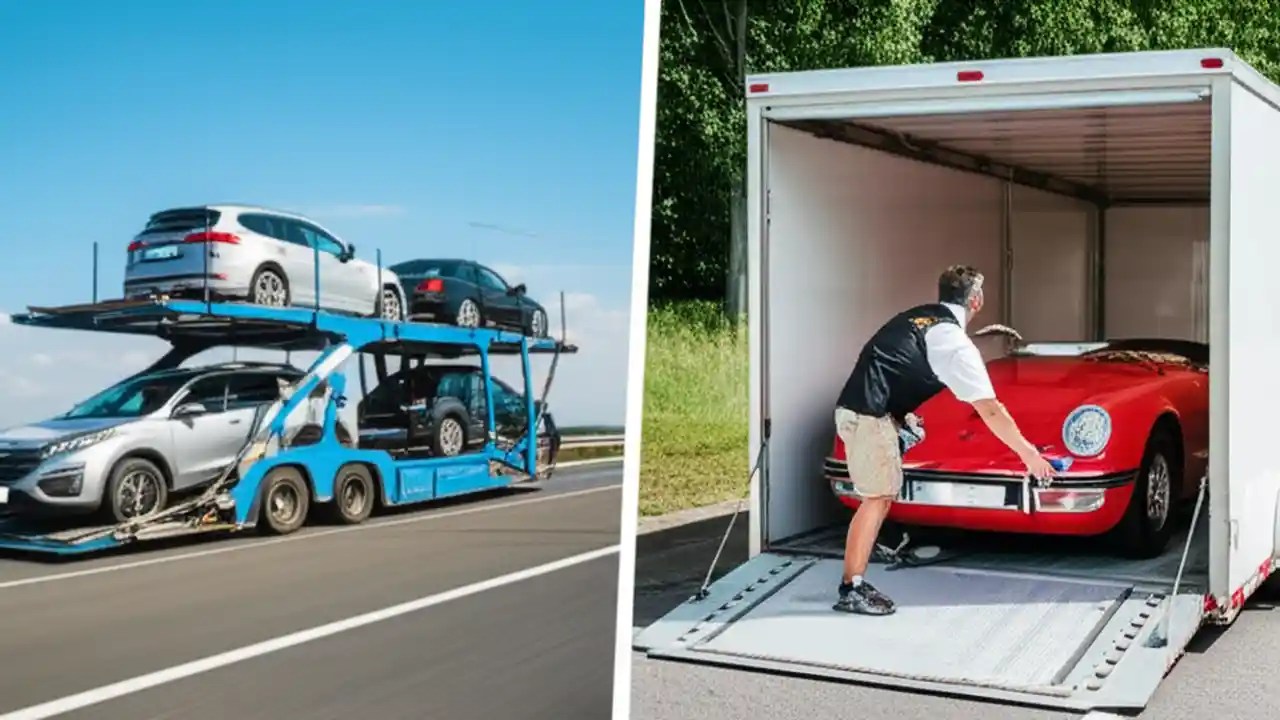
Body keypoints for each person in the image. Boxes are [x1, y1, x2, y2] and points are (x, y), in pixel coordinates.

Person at [832, 264, 1056, 616]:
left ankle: (856, 579)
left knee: (881, 494)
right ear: (976, 300)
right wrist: (1030, 455)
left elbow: (888, 364)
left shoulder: (918, 319)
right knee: (877, 497)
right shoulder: (954, 343)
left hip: (862, 413)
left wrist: (901, 417)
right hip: (868, 419)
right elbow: (991, 410)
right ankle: (851, 588)